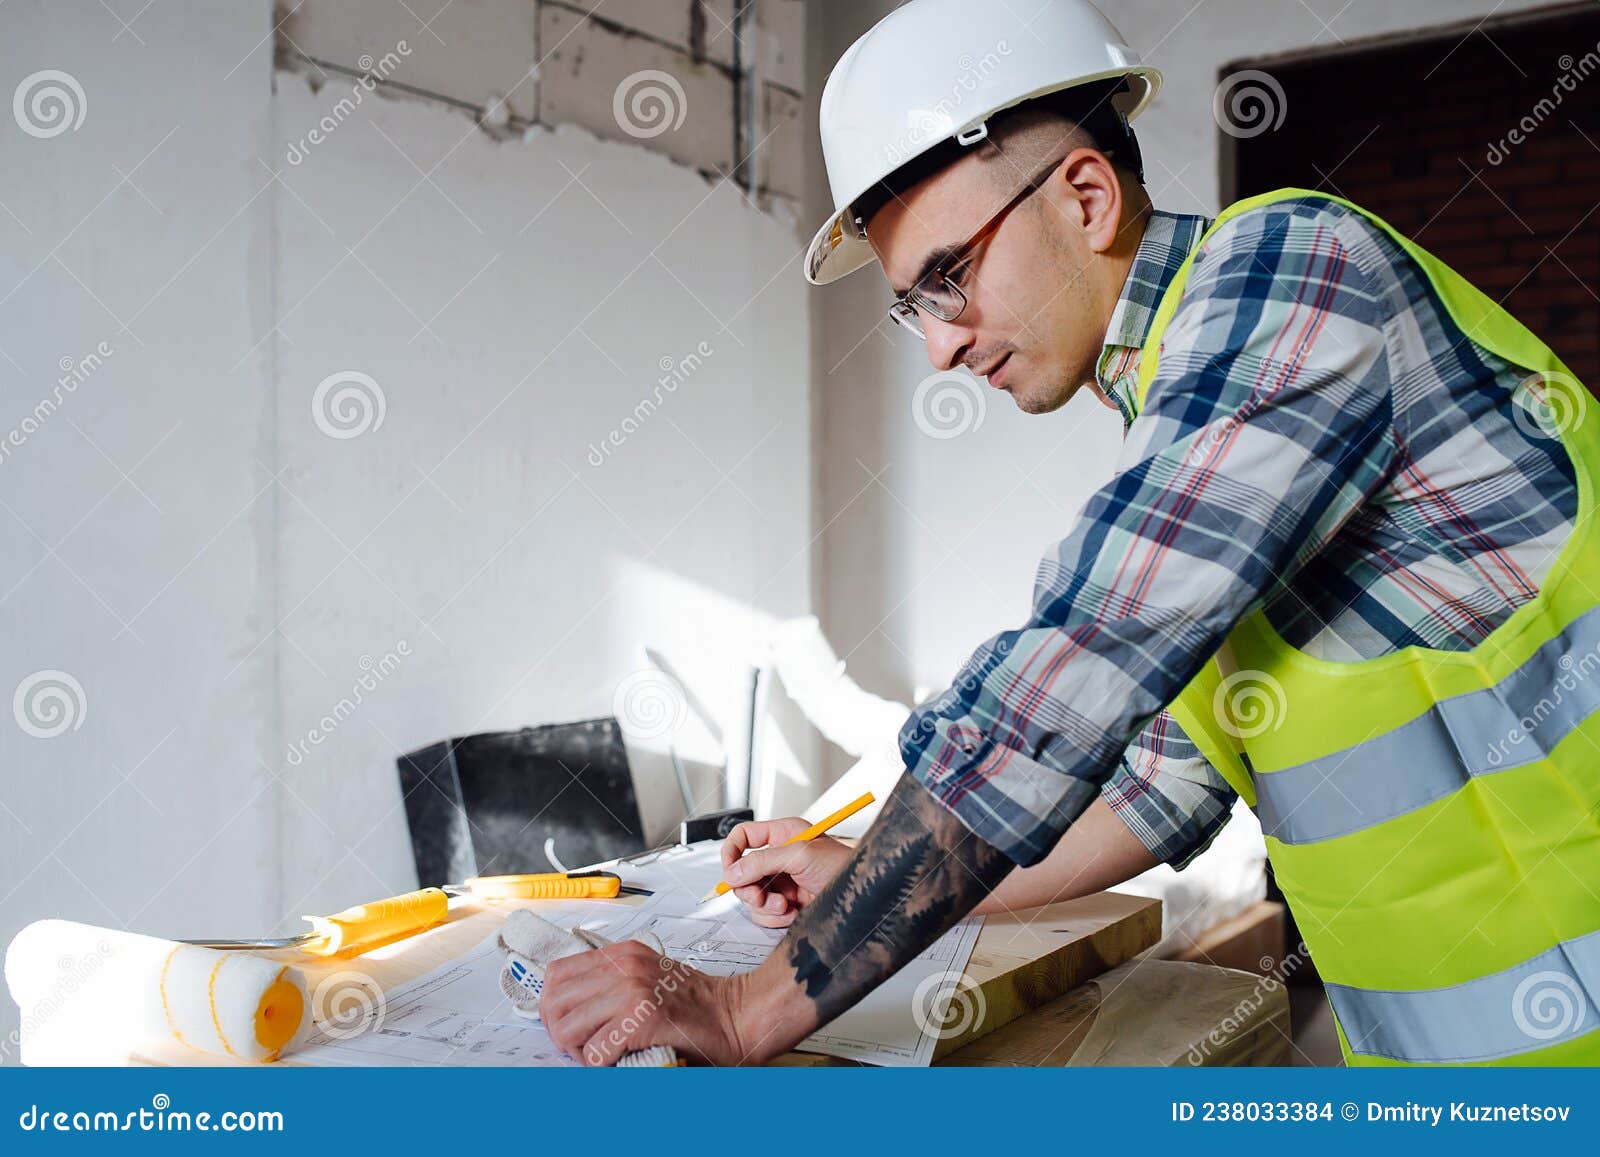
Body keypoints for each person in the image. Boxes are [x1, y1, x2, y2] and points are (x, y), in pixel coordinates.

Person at [540, 0, 1600, 1067]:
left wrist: (744, 1009)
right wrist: (856, 873)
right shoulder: (1195, 430)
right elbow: (1154, 793)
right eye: (914, 306)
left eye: (948, 278)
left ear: (1087, 197)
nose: (940, 349)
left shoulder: (1296, 270)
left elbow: (1067, 680)